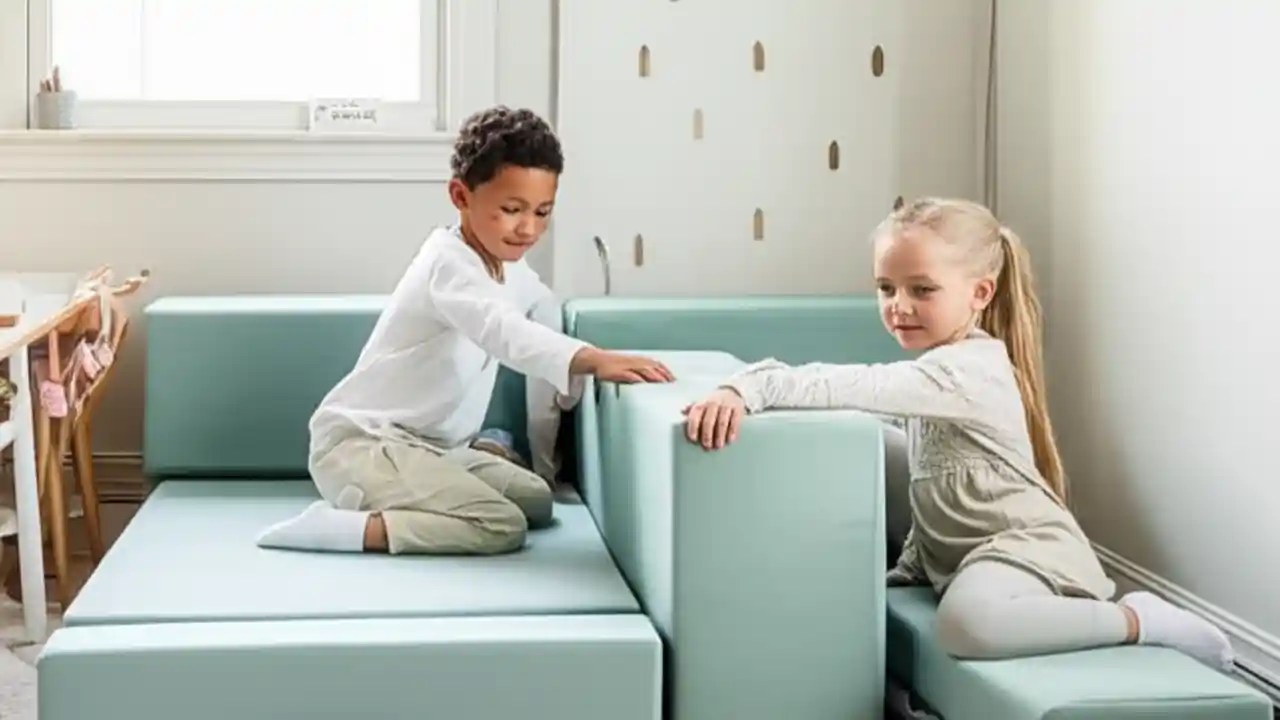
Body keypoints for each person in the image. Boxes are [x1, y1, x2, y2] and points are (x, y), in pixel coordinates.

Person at [681, 197, 1234, 671]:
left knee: (968, 626)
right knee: (867, 437)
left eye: (922, 290)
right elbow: (932, 481)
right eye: (885, 287)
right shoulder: (940, 367)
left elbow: (853, 384)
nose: (898, 306)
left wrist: (750, 387)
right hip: (965, 553)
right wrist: (908, 568)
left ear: (980, 294)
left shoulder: (967, 370)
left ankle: (1138, 619)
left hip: (1023, 548)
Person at [257, 105, 673, 556]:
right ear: (461, 196)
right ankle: (339, 528)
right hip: (363, 445)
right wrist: (593, 358)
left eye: (542, 212)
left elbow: (541, 309)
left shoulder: (509, 266)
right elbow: (504, 331)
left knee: (536, 500)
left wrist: (551, 438)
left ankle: (480, 454)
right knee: (500, 525)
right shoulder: (448, 264)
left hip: (434, 447)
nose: (528, 228)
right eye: (512, 210)